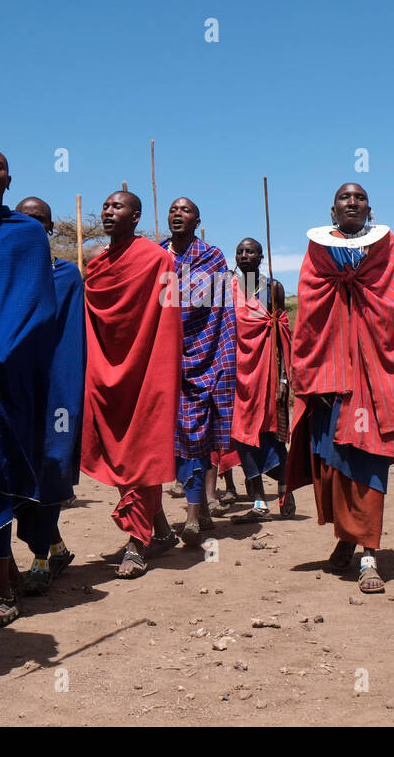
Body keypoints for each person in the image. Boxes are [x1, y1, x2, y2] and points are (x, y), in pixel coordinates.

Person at [287, 184, 394, 593]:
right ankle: (345, 537)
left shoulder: (384, 245)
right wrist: (313, 374)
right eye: (344, 198)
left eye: (359, 198)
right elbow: (308, 309)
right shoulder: (318, 250)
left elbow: (392, 301)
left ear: (370, 209)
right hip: (331, 376)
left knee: (367, 460)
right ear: (333, 208)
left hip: (373, 372)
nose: (352, 202)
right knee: (332, 464)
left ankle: (368, 554)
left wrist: (356, 287)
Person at [0, 150, 56, 629]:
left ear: (9, 178)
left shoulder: (27, 233)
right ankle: (3, 571)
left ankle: (0, 587)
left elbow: (39, 304)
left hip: (6, 373)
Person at [81, 191, 182, 578]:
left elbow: (168, 317)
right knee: (121, 449)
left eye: (117, 206)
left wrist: (165, 368)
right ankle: (160, 528)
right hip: (107, 370)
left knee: (143, 451)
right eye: (105, 205)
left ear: (136, 215)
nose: (108, 211)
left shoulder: (158, 260)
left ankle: (136, 544)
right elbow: (95, 320)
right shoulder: (97, 264)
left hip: (149, 368)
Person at [14, 195, 86, 594]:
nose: (32, 227)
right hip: (12, 391)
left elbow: (70, 344)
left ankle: (42, 556)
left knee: (50, 468)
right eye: (23, 220)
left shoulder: (66, 276)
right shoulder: (1, 273)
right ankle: (54, 546)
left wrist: (66, 398)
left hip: (55, 392)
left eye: (40, 220)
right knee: (15, 472)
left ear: (50, 229)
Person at [160, 197, 237, 545]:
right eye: (174, 210)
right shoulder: (156, 256)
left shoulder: (212, 257)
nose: (178, 214)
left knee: (194, 432)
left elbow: (221, 309)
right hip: (164, 357)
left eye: (186, 210)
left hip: (204, 355)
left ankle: (193, 513)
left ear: (197, 219)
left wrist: (221, 354)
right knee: (179, 437)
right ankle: (201, 509)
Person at [227, 237, 293, 522]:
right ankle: (258, 502)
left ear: (261, 256)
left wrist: (283, 379)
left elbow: (282, 335)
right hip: (236, 374)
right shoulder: (226, 290)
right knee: (241, 437)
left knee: (270, 432)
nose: (244, 255)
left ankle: (284, 488)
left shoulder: (272, 288)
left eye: (250, 251)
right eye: (240, 251)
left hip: (266, 372)